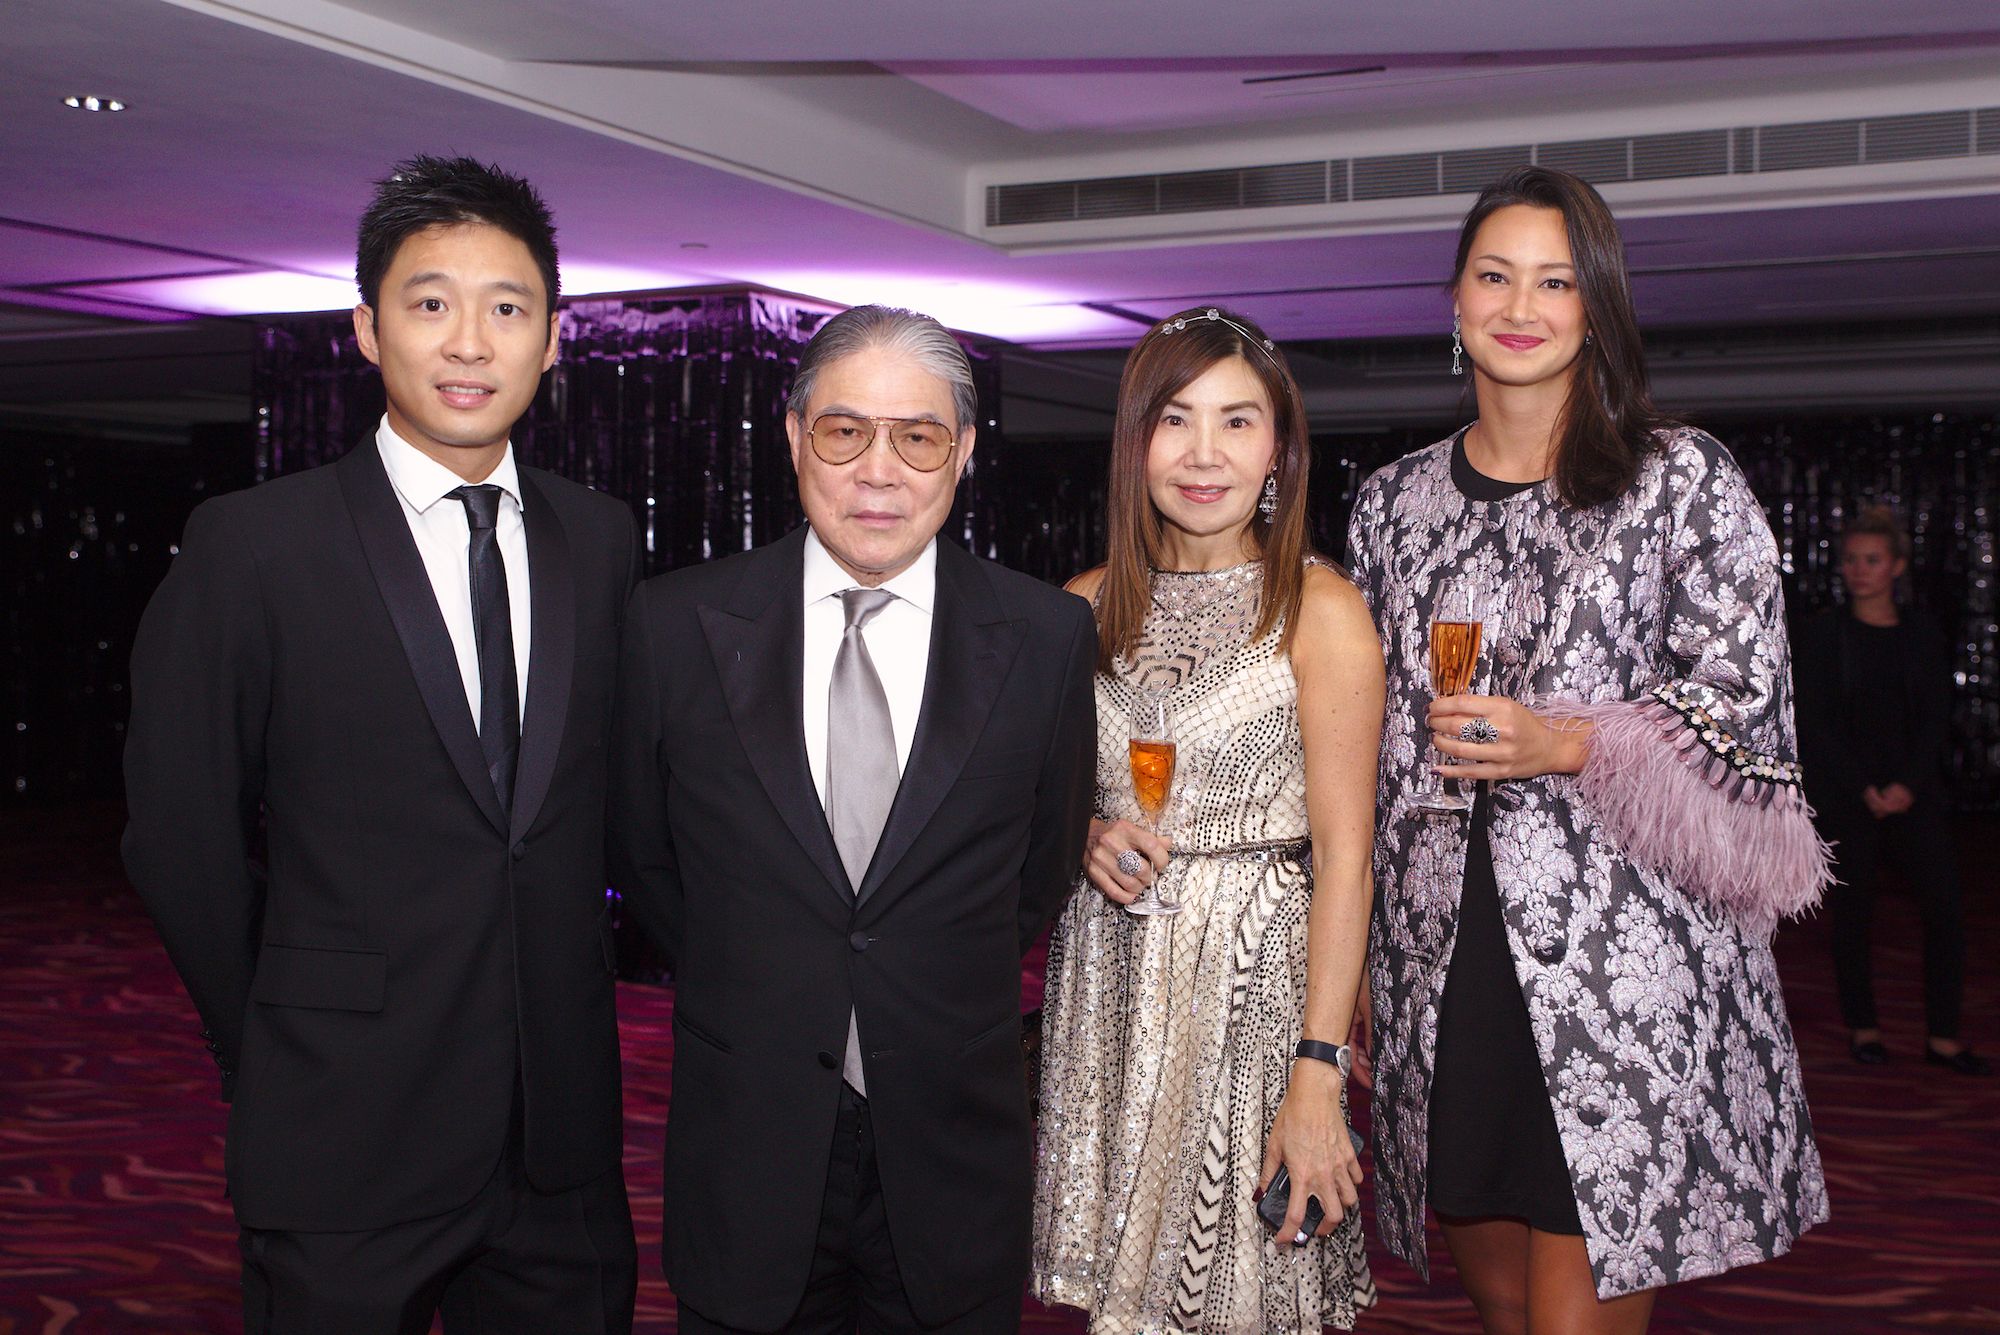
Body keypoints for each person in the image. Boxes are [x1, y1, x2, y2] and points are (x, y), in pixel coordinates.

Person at [121, 155, 639, 1333]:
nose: (470, 342)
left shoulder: (597, 541)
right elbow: (181, 833)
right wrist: (270, 1041)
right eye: (430, 303)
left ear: (552, 339)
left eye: (508, 309)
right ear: (366, 328)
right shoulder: (254, 545)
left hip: (558, 1142)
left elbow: (619, 803)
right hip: (343, 1126)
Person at [1345, 166, 1831, 1334]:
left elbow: (1748, 706)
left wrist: (1564, 743)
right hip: (1437, 954)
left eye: (1555, 281)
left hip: (1619, 970)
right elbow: (1355, 743)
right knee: (1501, 1304)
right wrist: (1349, 950)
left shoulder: (1678, 481)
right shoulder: (1390, 506)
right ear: (1453, 302)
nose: (1520, 304)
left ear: (1596, 305)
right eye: (1493, 275)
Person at [609, 304, 1097, 1334]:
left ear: (961, 452)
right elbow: (647, 861)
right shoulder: (671, 627)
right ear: (793, 437)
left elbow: (1037, 872)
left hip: (949, 1151)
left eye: (917, 437)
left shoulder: (1046, 636)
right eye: (844, 432)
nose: (879, 471)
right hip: (747, 1141)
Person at [1032, 306, 1382, 1334]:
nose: (1202, 454)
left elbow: (1348, 861)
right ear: (1135, 440)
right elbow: (1039, 811)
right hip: (1107, 990)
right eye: (1175, 420)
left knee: (1242, 1300)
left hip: (1251, 1000)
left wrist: (1317, 1073)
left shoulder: (1319, 610)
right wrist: (1082, 839)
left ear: (1277, 448)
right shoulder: (1076, 610)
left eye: (1237, 423)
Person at [1795, 507, 1989, 1074]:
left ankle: (1945, 1037)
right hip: (1849, 797)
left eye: (1871, 560)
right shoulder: (1826, 634)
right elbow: (1817, 721)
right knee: (1854, 914)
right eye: (1851, 559)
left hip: (1914, 794)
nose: (1858, 570)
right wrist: (1865, 789)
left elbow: (1935, 716)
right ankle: (1865, 1028)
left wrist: (1906, 784)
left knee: (1945, 912)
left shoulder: (1922, 631)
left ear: (1897, 567)